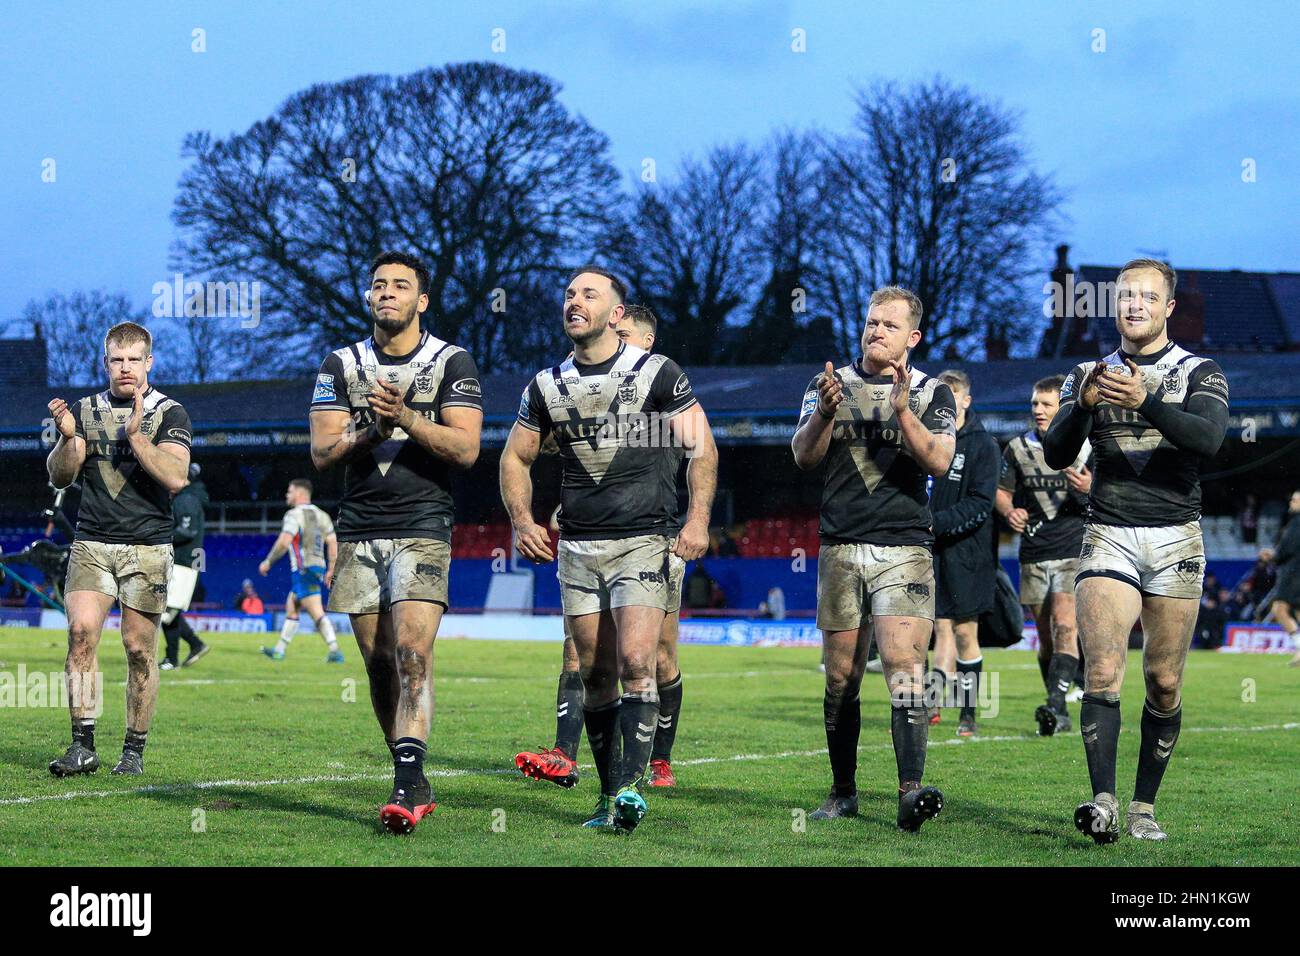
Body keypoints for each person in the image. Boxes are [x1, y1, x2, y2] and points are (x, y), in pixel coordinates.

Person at [501, 267, 716, 832]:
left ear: (616, 314)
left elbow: (702, 446)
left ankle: (630, 788)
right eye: (569, 294)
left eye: (589, 294)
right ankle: (605, 794)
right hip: (577, 546)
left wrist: (697, 520)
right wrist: (522, 519)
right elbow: (515, 457)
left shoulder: (656, 373)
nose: (575, 301)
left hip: (644, 540)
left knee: (638, 663)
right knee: (594, 675)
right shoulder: (545, 385)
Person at [1043, 258, 1229, 843]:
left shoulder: (1201, 371)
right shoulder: (1086, 372)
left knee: (1165, 681)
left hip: (1177, 535)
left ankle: (1145, 807)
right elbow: (1054, 454)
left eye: (1148, 297)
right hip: (1109, 532)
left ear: (1169, 307)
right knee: (1102, 671)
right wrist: (1083, 407)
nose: (1134, 306)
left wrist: (1147, 400)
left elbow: (1209, 439)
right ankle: (1103, 803)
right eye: (1126, 297)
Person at [309, 250, 482, 835]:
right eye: (378, 284)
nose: (387, 293)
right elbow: (322, 453)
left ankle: (406, 786)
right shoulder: (340, 364)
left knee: (412, 651)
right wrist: (370, 431)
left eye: (400, 285)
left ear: (422, 300)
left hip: (424, 525)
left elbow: (466, 449)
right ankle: (411, 771)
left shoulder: (451, 361)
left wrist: (406, 418)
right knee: (379, 662)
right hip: (358, 527)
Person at [791, 286, 957, 831]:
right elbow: (802, 456)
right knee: (840, 677)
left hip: (904, 548)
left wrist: (904, 413)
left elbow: (936, 460)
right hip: (840, 547)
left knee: (906, 671)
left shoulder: (933, 393)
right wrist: (824, 414)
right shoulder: (828, 385)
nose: (875, 331)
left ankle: (910, 791)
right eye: (870, 322)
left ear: (912, 337)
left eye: (888, 325)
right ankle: (843, 792)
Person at [45, 321, 192, 777]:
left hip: (148, 547)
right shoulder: (85, 410)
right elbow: (60, 477)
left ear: (149, 362)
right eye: (117, 359)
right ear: (105, 362)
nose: (125, 368)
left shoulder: (171, 413)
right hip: (92, 542)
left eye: (134, 360)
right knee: (80, 633)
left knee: (138, 647)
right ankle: (82, 746)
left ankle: (133, 751)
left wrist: (136, 435)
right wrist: (70, 438)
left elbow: (175, 477)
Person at [995, 374, 1091, 735]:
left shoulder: (1085, 446)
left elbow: (1115, 490)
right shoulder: (1017, 448)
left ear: (1061, 407)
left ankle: (1056, 707)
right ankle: (1056, 698)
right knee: (1047, 636)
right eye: (1035, 403)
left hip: (1073, 547)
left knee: (1066, 624)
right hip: (1034, 549)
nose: (1038, 409)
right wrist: (1009, 511)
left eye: (1046, 403)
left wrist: (1091, 486)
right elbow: (1002, 492)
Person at [929, 370, 1001, 736]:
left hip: (969, 554)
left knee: (964, 633)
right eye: (942, 393)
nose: (947, 398)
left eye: (953, 393)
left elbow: (981, 504)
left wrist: (934, 523)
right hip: (932, 551)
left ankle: (968, 714)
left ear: (967, 400)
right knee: (939, 629)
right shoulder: (927, 437)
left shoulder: (983, 444)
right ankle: (932, 706)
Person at [258, 479, 343, 663]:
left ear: (299, 493)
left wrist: (268, 561)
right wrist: (330, 568)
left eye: (289, 491)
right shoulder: (322, 515)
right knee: (292, 605)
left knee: (316, 611)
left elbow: (284, 541)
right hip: (317, 567)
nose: (286, 495)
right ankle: (279, 651)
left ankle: (335, 650)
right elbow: (333, 543)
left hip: (303, 568)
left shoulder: (293, 515)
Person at [160, 462, 210, 670]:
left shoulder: (186, 499)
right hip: (189, 561)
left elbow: (187, 531)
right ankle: (192, 647)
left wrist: (161, 538)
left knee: (166, 613)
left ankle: (175, 657)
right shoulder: (191, 497)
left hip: (184, 562)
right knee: (168, 612)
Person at [1268, 490, 1300, 665]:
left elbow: (1287, 549)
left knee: (1279, 609)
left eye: (1295, 500)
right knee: (1298, 611)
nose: (1291, 503)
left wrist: (1272, 555)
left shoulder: (1296, 522)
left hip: (1294, 573)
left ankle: (1299, 647)